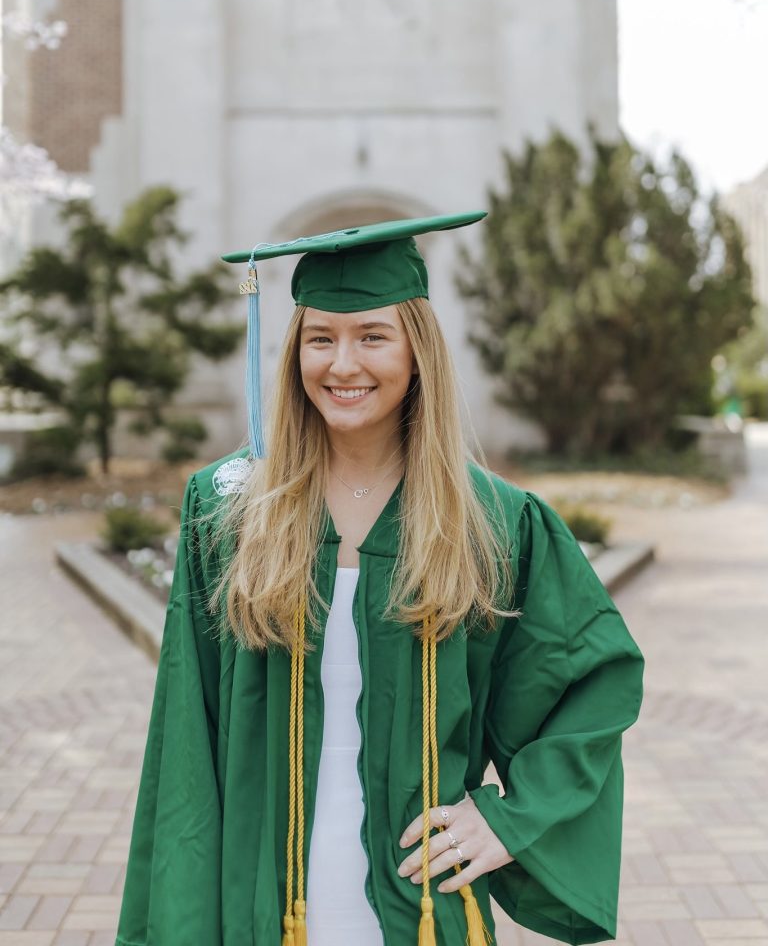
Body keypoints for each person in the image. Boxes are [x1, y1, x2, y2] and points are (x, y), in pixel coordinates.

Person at [115, 213, 644, 946]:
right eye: (320, 338)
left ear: (417, 349)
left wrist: (507, 820)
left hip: (420, 905)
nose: (343, 365)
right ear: (294, 351)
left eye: (372, 336)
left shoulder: (493, 521)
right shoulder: (231, 510)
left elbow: (592, 680)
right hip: (259, 901)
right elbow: (186, 742)